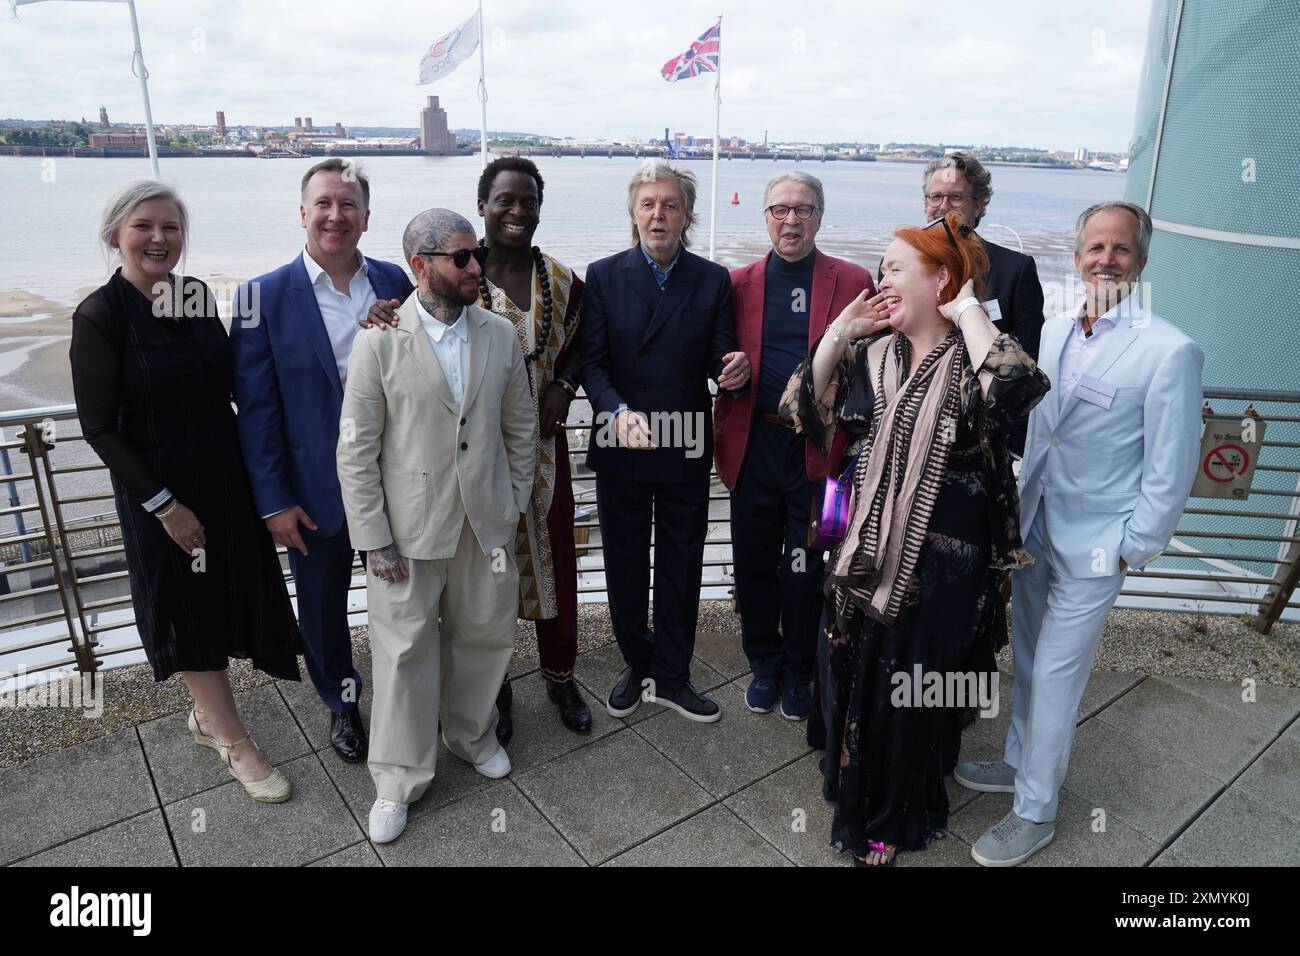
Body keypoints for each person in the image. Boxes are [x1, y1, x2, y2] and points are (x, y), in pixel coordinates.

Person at [780, 211, 1048, 864]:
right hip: (861, 536)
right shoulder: (875, 354)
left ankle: (891, 816)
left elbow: (1018, 388)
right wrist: (839, 332)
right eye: (881, 267)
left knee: (911, 688)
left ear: (941, 281)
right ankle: (858, 782)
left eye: (897, 268)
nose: (882, 279)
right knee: (854, 668)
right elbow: (802, 409)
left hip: (945, 557)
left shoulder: (971, 360)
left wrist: (968, 310)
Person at [958, 201, 1204, 866]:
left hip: (1098, 546)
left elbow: (1173, 463)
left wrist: (1135, 545)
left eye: (1120, 250)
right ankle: (1018, 761)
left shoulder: (1168, 349)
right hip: (1038, 527)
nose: (1106, 259)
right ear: (1078, 257)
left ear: (1142, 262)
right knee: (1030, 659)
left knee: (1060, 677)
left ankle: (1035, 811)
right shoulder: (1061, 328)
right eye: (1095, 247)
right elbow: (1044, 429)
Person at [70, 181, 302, 803]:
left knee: (226, 596)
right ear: (115, 235)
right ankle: (234, 741)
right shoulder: (99, 315)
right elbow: (98, 428)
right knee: (189, 609)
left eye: (171, 227)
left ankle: (205, 716)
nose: (159, 238)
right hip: (161, 491)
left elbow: (234, 379)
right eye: (144, 226)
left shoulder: (193, 296)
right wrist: (164, 507)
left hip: (225, 475)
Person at [366, 157, 590, 740]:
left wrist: (564, 386)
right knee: (482, 584)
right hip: (461, 463)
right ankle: (494, 691)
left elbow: (589, 341)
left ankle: (560, 676)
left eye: (529, 201)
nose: (517, 212)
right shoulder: (456, 272)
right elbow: (406, 321)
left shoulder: (563, 281)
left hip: (538, 448)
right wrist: (378, 311)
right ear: (483, 204)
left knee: (552, 565)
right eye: (504, 200)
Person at [337, 209, 536, 844]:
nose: (477, 266)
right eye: (461, 258)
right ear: (421, 266)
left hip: (487, 526)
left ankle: (472, 736)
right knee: (402, 655)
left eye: (475, 254)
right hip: (407, 531)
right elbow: (356, 448)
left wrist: (511, 502)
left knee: (484, 637)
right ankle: (397, 778)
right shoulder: (378, 341)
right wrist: (372, 538)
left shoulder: (501, 335)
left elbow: (520, 427)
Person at [230, 159, 413, 765]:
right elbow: (255, 410)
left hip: (398, 480)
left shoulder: (397, 281)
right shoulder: (261, 297)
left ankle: (407, 696)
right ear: (303, 213)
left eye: (349, 204)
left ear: (366, 215)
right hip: (312, 489)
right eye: (324, 204)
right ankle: (342, 703)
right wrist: (275, 500)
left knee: (407, 598)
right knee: (323, 609)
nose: (337, 216)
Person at [583, 160, 750, 723]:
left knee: (683, 560)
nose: (659, 214)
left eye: (670, 204)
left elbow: (718, 355)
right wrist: (618, 411)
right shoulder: (603, 275)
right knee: (624, 562)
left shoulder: (711, 279)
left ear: (687, 215)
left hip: (683, 442)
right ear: (634, 214)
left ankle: (674, 674)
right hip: (622, 440)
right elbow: (593, 363)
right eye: (648, 204)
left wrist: (734, 367)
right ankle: (637, 663)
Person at [713, 171, 876, 720]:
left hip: (821, 452)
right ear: (765, 218)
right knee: (755, 562)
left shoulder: (852, 279)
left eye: (802, 209)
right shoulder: (736, 284)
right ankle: (763, 661)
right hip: (753, 441)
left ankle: (801, 669)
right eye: (780, 209)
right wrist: (726, 368)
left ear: (819, 217)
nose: (791, 219)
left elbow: (875, 367)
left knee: (808, 563)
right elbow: (717, 352)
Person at [921, 152, 1046, 453]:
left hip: (983, 437)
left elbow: (1031, 357)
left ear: (979, 205)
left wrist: (1013, 447)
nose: (943, 206)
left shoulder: (1015, 270)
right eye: (935, 196)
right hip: (918, 422)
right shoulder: (901, 266)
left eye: (955, 197)